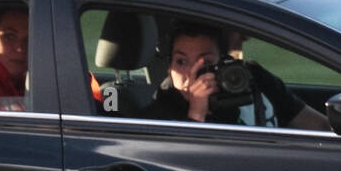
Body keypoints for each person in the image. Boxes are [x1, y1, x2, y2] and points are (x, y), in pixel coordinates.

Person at [140, 20, 330, 129]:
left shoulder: (250, 79)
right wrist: (196, 113)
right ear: (169, 68)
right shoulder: (161, 111)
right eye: (181, 62)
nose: (192, 72)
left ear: (223, 62)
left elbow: (318, 126)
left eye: (206, 63)